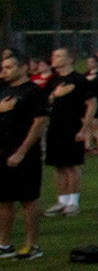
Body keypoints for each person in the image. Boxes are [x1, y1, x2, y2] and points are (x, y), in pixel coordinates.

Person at [0, 53, 51, 259]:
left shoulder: (34, 92)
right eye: (3, 67)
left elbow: (39, 123)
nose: (4, 70)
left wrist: (21, 151)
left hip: (24, 154)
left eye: (10, 67)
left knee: (28, 199)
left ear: (23, 68)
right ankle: (4, 244)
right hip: (2, 152)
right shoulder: (2, 90)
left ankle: (32, 244)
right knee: (3, 200)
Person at [41, 47, 88, 218]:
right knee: (59, 166)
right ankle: (62, 201)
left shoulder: (79, 79)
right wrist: (55, 94)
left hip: (73, 126)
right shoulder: (52, 81)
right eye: (53, 55)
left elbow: (92, 104)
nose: (54, 58)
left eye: (59, 55)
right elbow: (45, 102)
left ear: (69, 59)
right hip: (55, 126)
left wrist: (84, 128)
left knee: (72, 165)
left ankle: (73, 203)